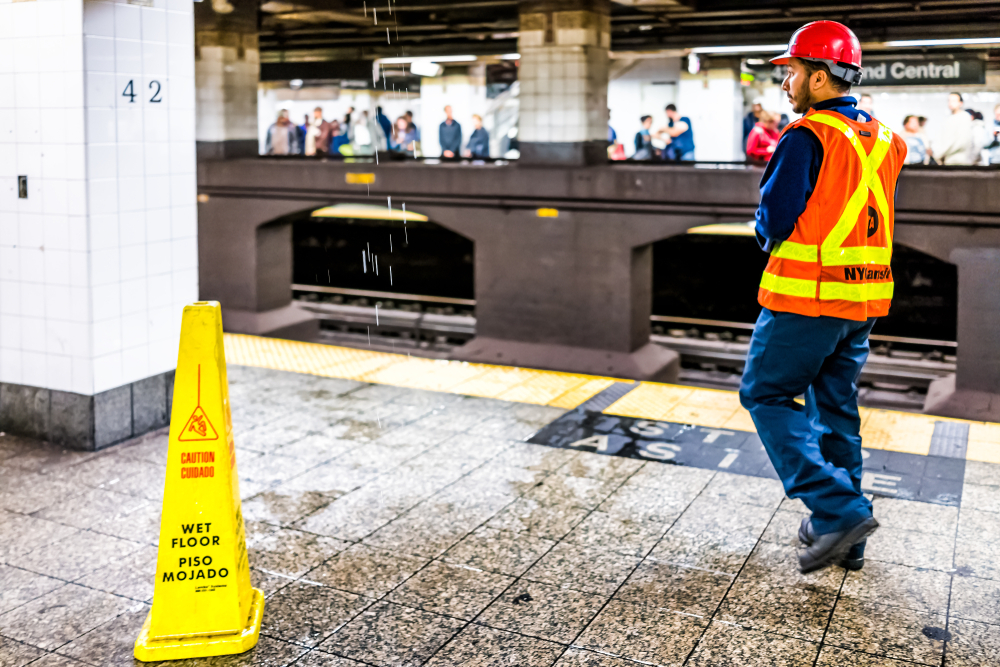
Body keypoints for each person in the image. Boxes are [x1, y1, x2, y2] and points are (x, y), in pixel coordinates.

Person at [740, 20, 906, 575]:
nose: (785, 83)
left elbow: (778, 218)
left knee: (765, 396)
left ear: (817, 77)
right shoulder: (888, 140)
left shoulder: (807, 135)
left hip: (805, 299)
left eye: (790, 72)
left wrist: (762, 230)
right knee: (835, 410)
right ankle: (850, 542)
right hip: (863, 301)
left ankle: (839, 511)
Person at [934, 92, 974, 165]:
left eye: (954, 101)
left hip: (958, 160)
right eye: (949, 100)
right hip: (947, 159)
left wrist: (940, 154)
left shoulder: (964, 117)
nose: (950, 103)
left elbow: (961, 141)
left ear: (960, 103)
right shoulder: (949, 118)